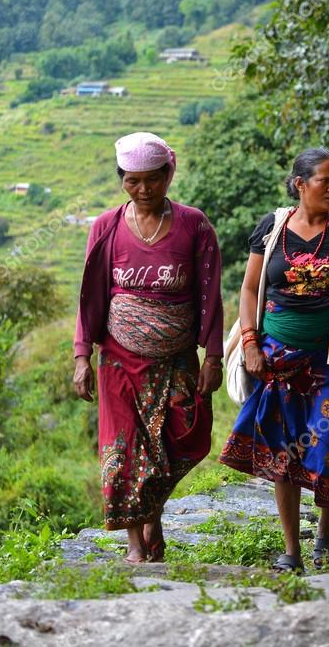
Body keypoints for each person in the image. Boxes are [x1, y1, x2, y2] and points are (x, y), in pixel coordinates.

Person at [218, 147, 329, 572]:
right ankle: (292, 549)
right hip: (275, 360)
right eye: (324, 181)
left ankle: (327, 519)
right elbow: (248, 289)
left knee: (328, 446)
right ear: (300, 184)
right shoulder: (271, 229)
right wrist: (250, 342)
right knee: (282, 452)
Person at [73, 132, 223, 563]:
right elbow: (91, 297)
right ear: (122, 179)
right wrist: (82, 355)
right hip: (119, 361)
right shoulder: (106, 227)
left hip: (177, 359)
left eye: (152, 180)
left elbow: (210, 293)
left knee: (183, 438)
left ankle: (151, 510)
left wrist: (213, 354)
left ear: (167, 175)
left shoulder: (194, 225)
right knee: (124, 450)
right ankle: (135, 543)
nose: (143, 190)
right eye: (132, 181)